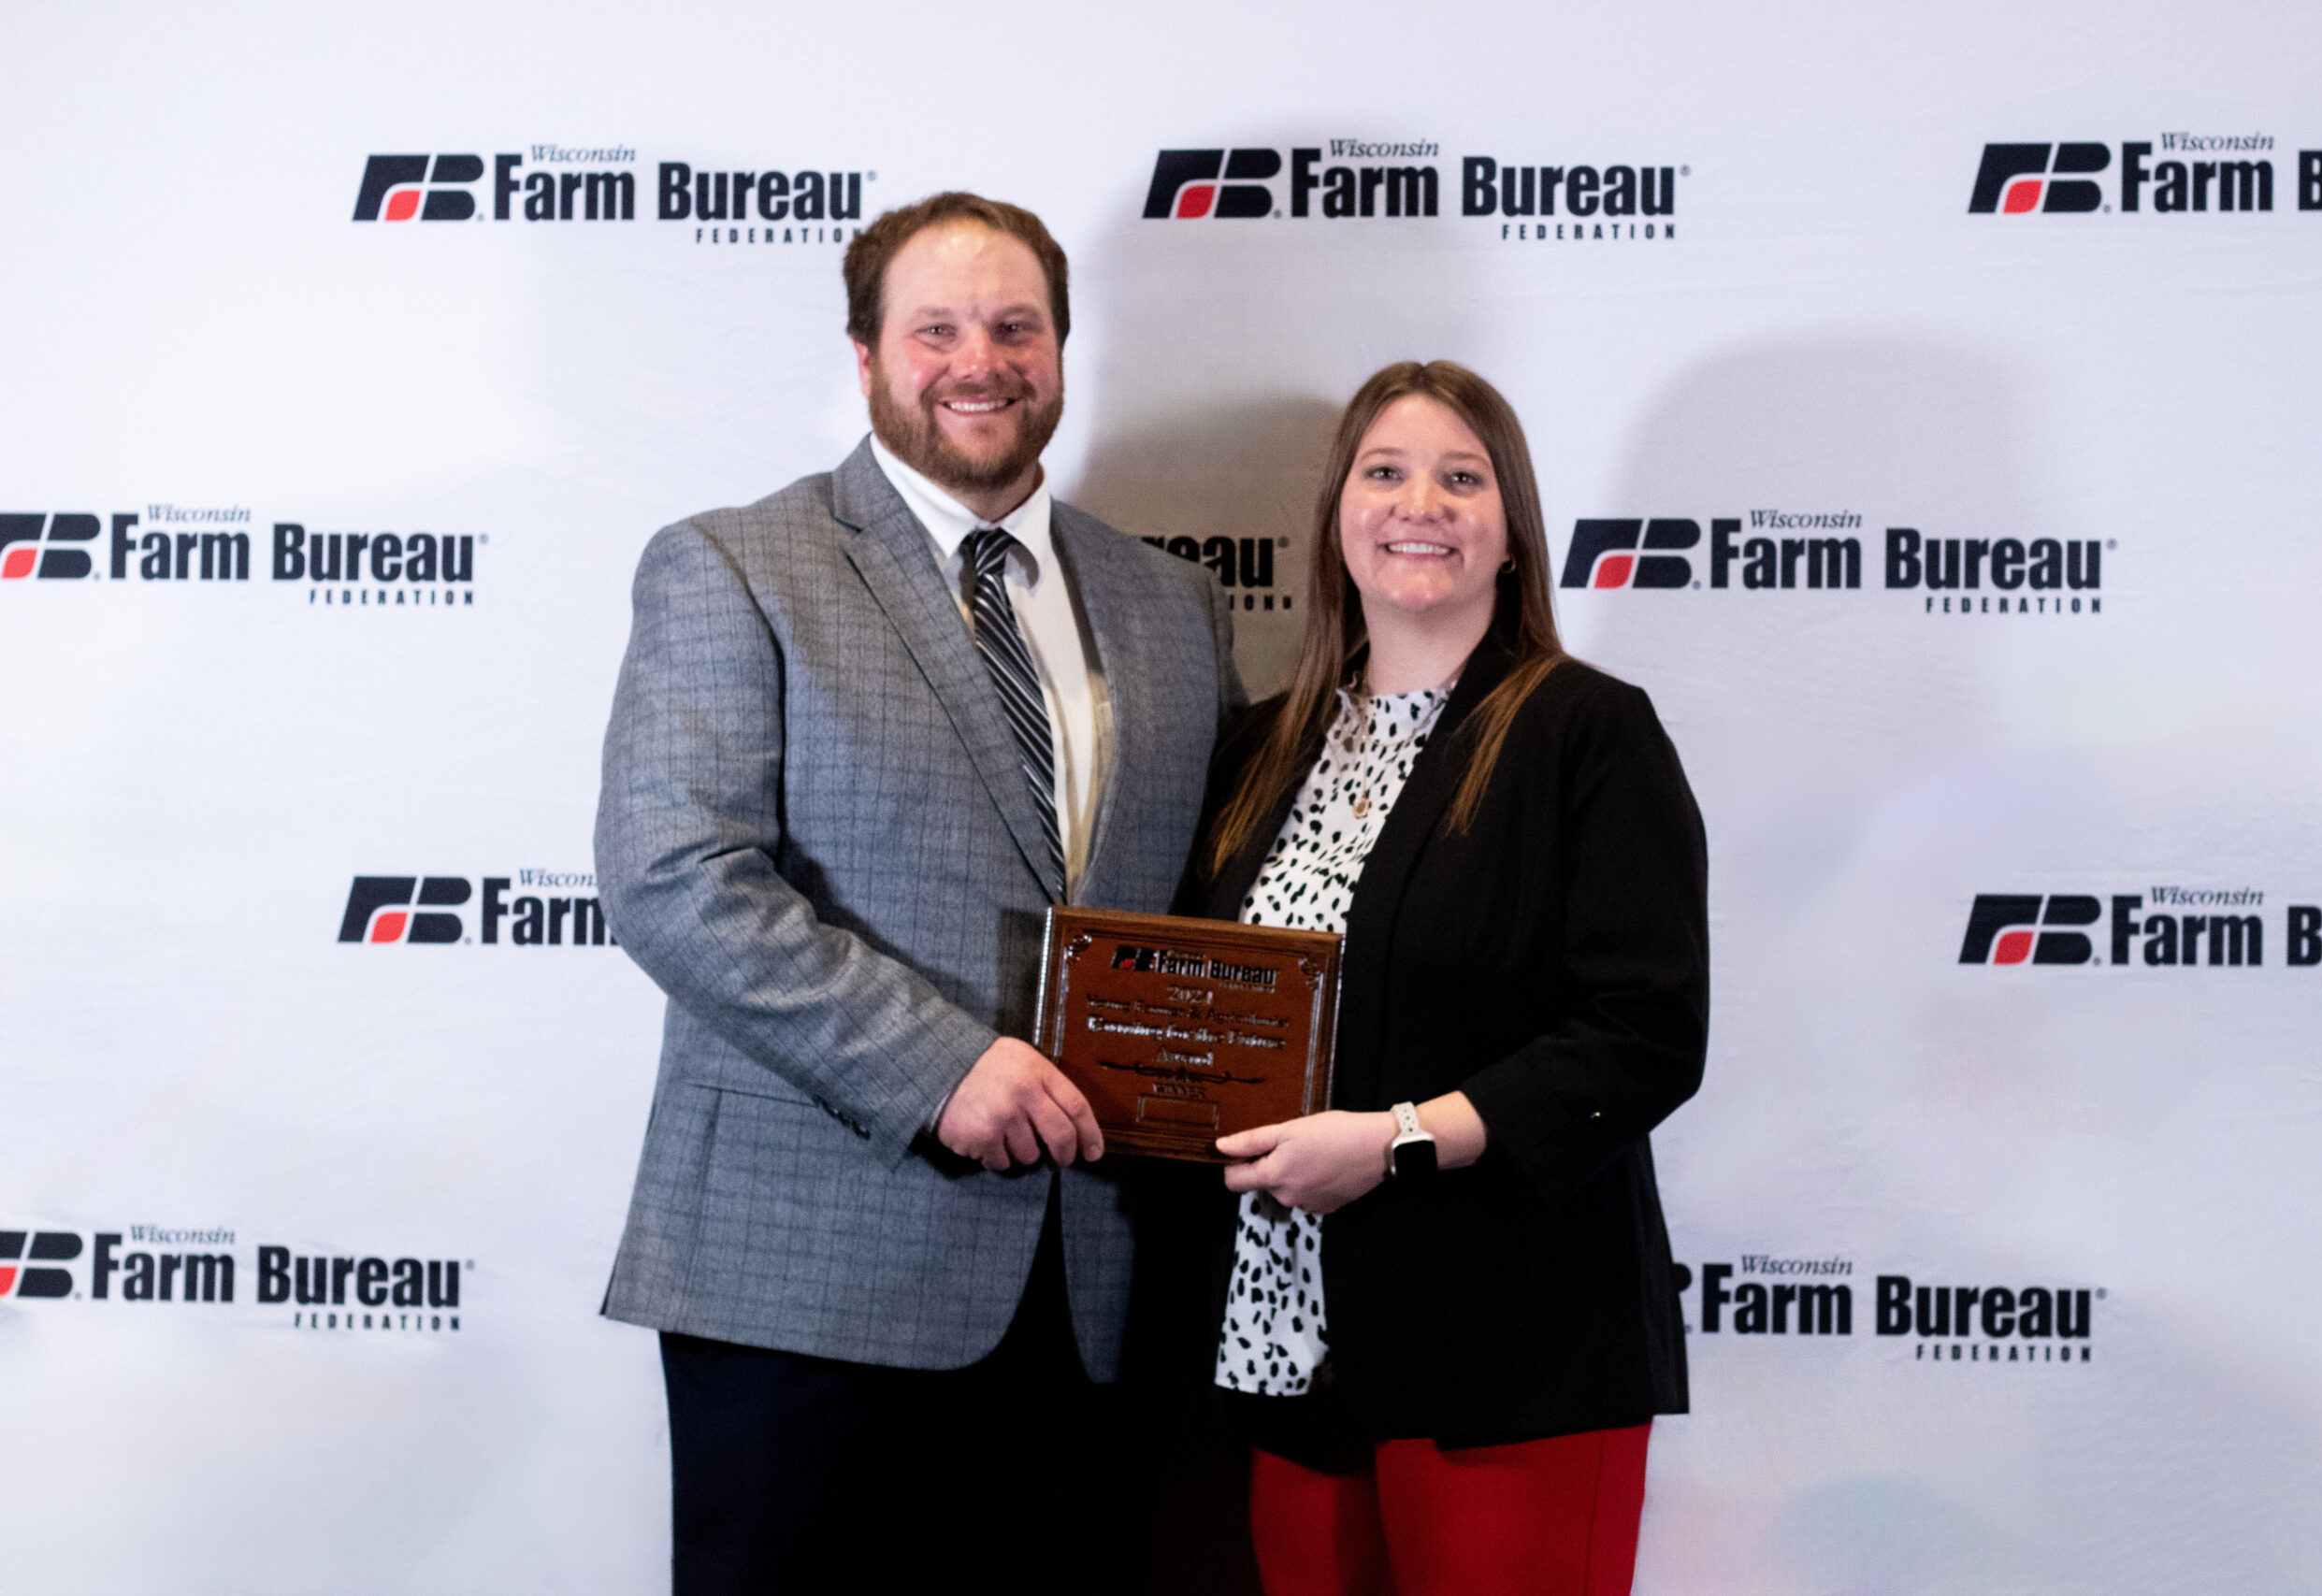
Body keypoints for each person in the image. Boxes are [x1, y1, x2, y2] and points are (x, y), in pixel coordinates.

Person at [594, 191, 1241, 1595]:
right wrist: (940, 1066)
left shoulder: (1173, 607)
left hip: (1098, 1291)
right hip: (812, 1285)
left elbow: (1210, 914)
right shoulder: (733, 565)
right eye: (935, 329)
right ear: (867, 356)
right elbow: (673, 875)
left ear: (1060, 349)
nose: (979, 361)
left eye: (1015, 327)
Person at [1180, 360, 1708, 1595]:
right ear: (1337, 519)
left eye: (1463, 479)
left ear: (1513, 533)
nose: (1421, 504)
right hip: (1287, 1356)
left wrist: (1394, 1143)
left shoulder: (1588, 732)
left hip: (1509, 1360)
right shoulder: (1258, 747)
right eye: (1386, 472)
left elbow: (1644, 1034)